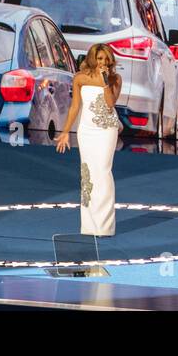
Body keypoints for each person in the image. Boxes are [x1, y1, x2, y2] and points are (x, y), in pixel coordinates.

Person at [56, 42, 122, 236]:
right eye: (100, 58)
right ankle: (89, 226)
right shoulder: (80, 78)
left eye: (106, 58)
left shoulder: (115, 79)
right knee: (88, 176)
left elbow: (110, 103)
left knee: (102, 171)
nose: (103, 62)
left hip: (106, 129)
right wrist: (66, 131)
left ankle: (105, 227)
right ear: (93, 59)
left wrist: (105, 82)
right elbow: (75, 107)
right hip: (86, 130)